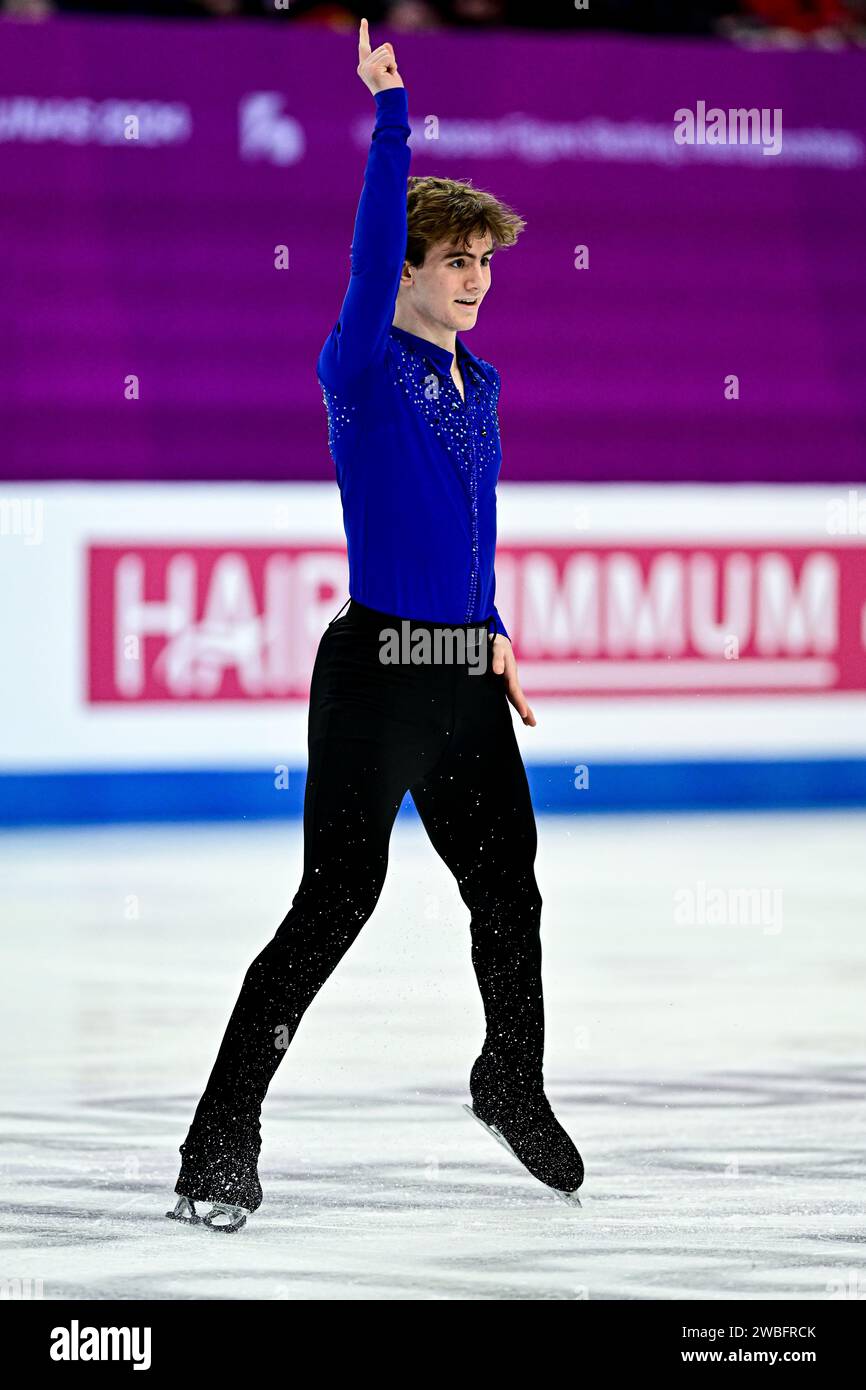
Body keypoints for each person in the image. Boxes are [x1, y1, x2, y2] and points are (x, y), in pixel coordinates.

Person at [166, 17, 583, 1233]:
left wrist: (492, 627)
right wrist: (391, 115)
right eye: (451, 260)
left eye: (483, 264)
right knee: (334, 899)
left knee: (510, 893)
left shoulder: (478, 382)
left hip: (459, 674)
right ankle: (218, 1140)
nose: (473, 279)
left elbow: (466, 521)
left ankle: (509, 1079)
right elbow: (362, 255)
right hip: (376, 677)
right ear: (404, 270)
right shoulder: (362, 363)